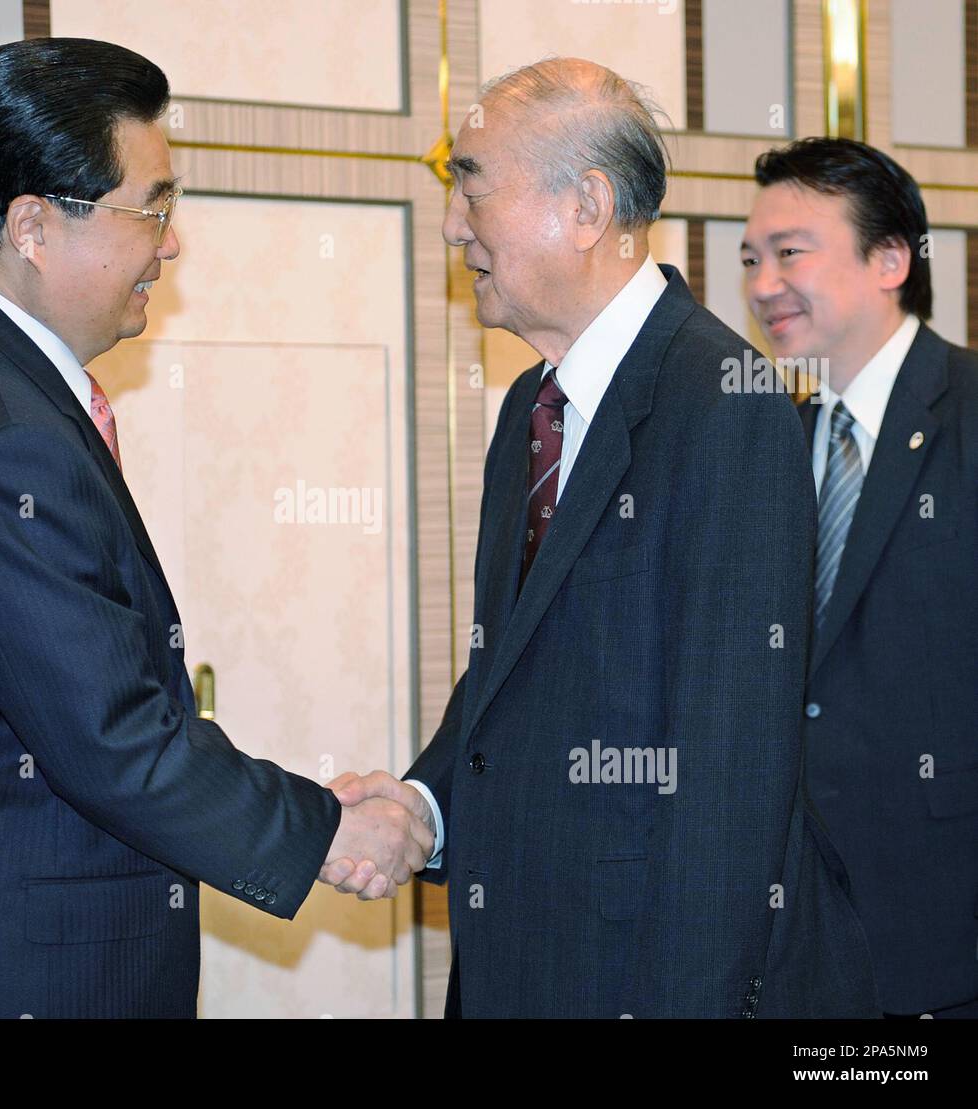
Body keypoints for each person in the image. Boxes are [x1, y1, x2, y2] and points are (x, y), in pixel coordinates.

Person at [0, 38, 430, 1019]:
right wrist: (327, 829)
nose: (170, 245)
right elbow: (114, 739)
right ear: (34, 226)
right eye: (151, 209)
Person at [327, 58, 879, 1017]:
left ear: (586, 207)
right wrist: (425, 804)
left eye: (471, 185)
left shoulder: (726, 407)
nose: (453, 224)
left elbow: (729, 775)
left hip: (635, 974)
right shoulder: (528, 409)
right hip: (516, 963)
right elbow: (513, 680)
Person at [742, 137, 978, 1019]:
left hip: (948, 931)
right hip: (796, 940)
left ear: (890, 260)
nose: (764, 284)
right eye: (751, 259)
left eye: (790, 252)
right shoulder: (771, 439)